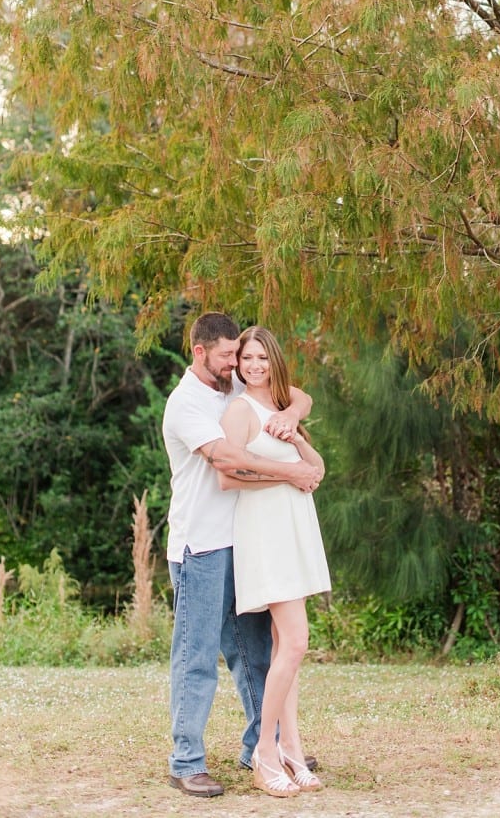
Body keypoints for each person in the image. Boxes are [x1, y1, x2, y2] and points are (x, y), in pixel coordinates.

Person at [162, 312, 321, 798]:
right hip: (200, 545)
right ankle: (186, 761)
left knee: (255, 652)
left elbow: (291, 392)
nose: (235, 362)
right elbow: (228, 462)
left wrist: (293, 415)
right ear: (200, 352)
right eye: (228, 354)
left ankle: (262, 744)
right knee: (197, 656)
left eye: (239, 354)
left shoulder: (229, 387)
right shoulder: (185, 403)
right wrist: (289, 472)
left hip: (244, 542)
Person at [219, 326, 331, 798]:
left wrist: (294, 429)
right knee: (297, 642)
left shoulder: (282, 407)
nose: (255, 365)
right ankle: (266, 749)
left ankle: (292, 746)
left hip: (295, 532)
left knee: (288, 646)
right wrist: (287, 478)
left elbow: (316, 469)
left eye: (262, 357)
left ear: (274, 361)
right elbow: (228, 477)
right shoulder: (239, 410)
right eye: (247, 357)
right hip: (265, 536)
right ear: (238, 363)